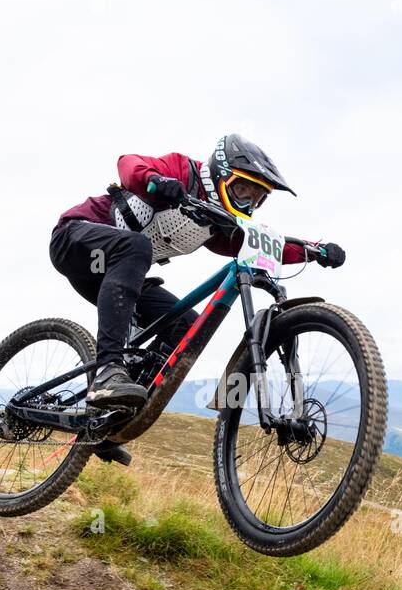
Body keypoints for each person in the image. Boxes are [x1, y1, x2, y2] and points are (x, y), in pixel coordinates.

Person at [49, 133, 346, 418]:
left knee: (187, 328)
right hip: (75, 241)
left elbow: (265, 248)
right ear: (221, 174)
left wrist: (314, 251)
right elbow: (128, 163)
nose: (247, 204)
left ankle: (112, 415)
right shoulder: (183, 172)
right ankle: (107, 371)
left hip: (115, 277)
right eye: (242, 189)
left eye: (256, 199)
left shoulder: (217, 226)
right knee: (136, 246)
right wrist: (156, 181)